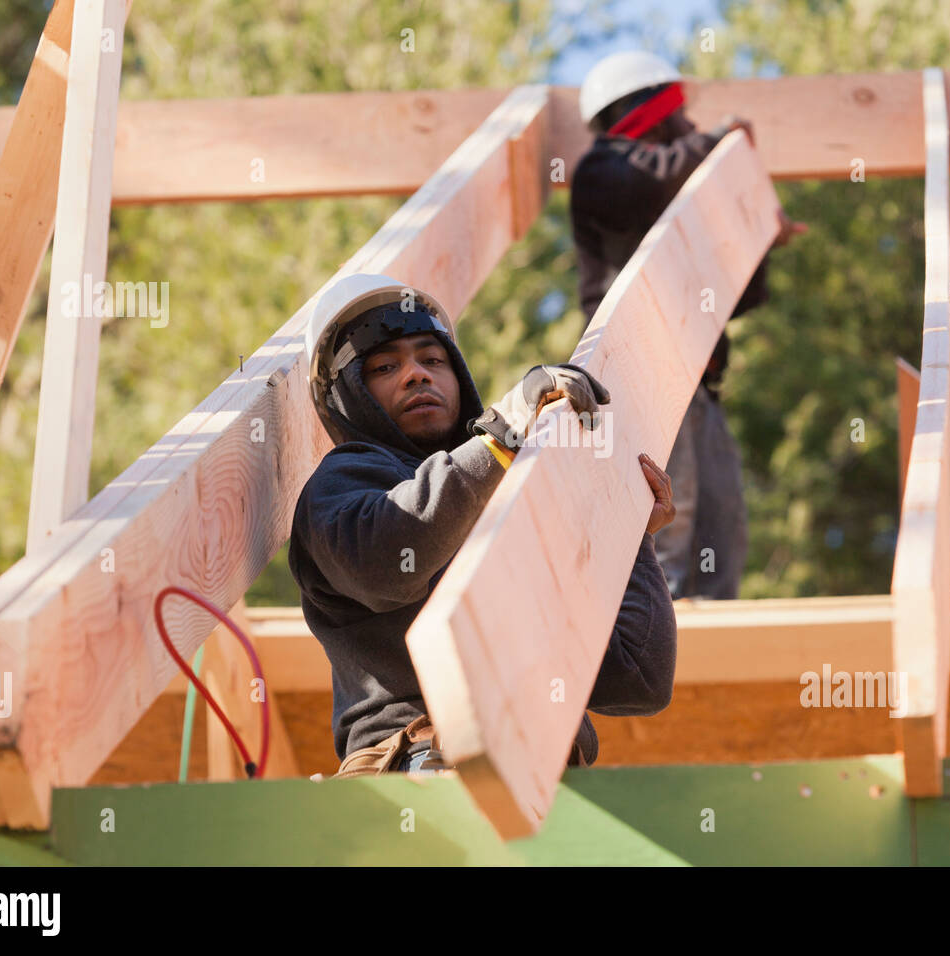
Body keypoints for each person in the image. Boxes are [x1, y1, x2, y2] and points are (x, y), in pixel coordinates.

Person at [288, 273, 678, 775]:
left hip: (551, 789)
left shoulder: (517, 513)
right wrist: (502, 435)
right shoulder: (342, 484)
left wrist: (628, 539)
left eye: (432, 360)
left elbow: (637, 679)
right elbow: (391, 561)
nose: (416, 375)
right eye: (385, 366)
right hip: (416, 777)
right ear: (346, 395)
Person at [570, 50, 806, 600]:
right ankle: (660, 639)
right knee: (666, 534)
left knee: (722, 530)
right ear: (650, 113)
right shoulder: (603, 172)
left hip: (697, 384)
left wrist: (756, 237)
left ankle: (713, 643)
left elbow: (741, 297)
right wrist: (722, 144)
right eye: (684, 116)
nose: (694, 127)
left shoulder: (674, 194)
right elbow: (650, 176)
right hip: (640, 378)